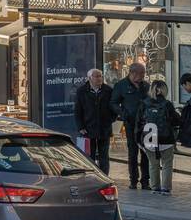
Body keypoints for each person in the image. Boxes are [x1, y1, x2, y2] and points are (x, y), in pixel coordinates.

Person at [134, 80, 182, 195]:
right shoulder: (167, 104)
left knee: (153, 164)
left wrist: (138, 140)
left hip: (149, 138)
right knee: (167, 164)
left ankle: (155, 187)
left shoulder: (144, 103)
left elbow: (138, 123)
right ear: (163, 90)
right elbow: (177, 121)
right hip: (166, 139)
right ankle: (165, 188)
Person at [111, 62, 151, 190]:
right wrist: (124, 114)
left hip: (145, 124)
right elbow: (113, 103)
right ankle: (133, 180)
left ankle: (146, 181)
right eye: (141, 74)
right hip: (131, 124)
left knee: (146, 152)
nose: (143, 76)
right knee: (133, 153)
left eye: (144, 74)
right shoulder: (121, 85)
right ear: (133, 73)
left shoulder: (145, 86)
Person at [74, 67, 115, 174]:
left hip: (104, 128)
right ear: (90, 78)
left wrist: (111, 119)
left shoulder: (108, 90)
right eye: (96, 76)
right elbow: (78, 111)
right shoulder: (82, 91)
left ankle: (104, 176)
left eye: (100, 76)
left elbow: (114, 107)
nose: (99, 78)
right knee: (89, 155)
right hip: (88, 128)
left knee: (104, 156)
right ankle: (92, 176)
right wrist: (81, 127)